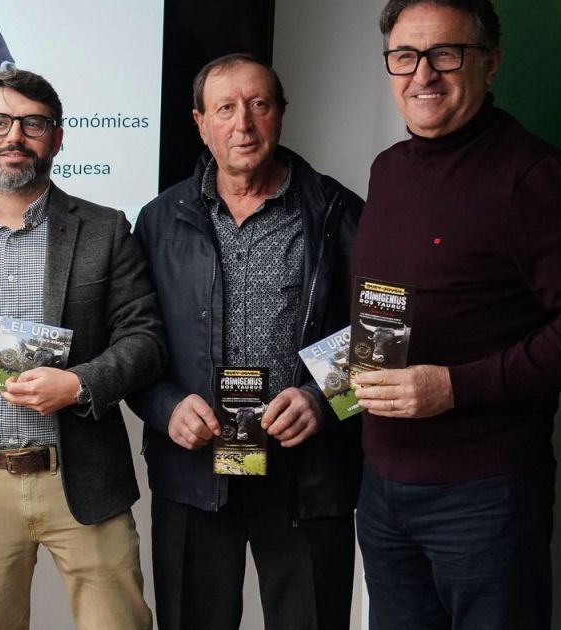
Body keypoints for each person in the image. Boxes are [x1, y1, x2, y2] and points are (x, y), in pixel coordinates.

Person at [0, 67, 164, 630]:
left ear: (57, 137)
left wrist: (80, 383)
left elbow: (145, 338)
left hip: (82, 475)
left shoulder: (105, 228)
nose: (14, 136)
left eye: (33, 124)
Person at [352, 2, 561, 628]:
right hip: (382, 486)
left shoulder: (534, 176)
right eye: (405, 57)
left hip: (485, 494)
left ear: (491, 63)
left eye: (444, 54)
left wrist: (454, 386)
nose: (422, 74)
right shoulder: (388, 169)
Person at [129, 54, 364, 630]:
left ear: (280, 113)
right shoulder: (158, 220)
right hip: (195, 468)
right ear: (199, 122)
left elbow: (383, 336)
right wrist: (164, 408)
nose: (243, 124)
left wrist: (323, 400)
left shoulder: (339, 211)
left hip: (308, 474)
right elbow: (131, 339)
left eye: (259, 105)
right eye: (225, 109)